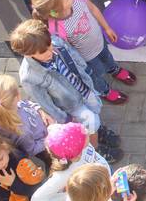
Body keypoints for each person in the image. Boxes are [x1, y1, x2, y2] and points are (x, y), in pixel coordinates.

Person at [9, 18, 121, 159]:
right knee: (89, 122)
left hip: (83, 88)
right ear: (28, 53)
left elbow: (73, 55)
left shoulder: (55, 42)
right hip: (72, 106)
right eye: (43, 51)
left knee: (94, 112)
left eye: (49, 45)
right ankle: (95, 149)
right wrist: (65, 119)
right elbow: (45, 103)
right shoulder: (29, 77)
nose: (50, 50)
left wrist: (86, 71)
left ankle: (97, 130)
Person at [29, 0, 133, 100]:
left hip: (100, 41)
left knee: (107, 56)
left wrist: (107, 28)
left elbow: (93, 9)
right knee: (96, 75)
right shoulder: (57, 28)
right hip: (87, 57)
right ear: (56, 10)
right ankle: (105, 91)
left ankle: (114, 69)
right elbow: (68, 49)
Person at [0, 74, 52, 159]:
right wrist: (50, 138)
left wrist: (39, 110)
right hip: (44, 143)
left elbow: (25, 103)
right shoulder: (22, 132)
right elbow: (32, 150)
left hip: (39, 126)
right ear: (17, 96)